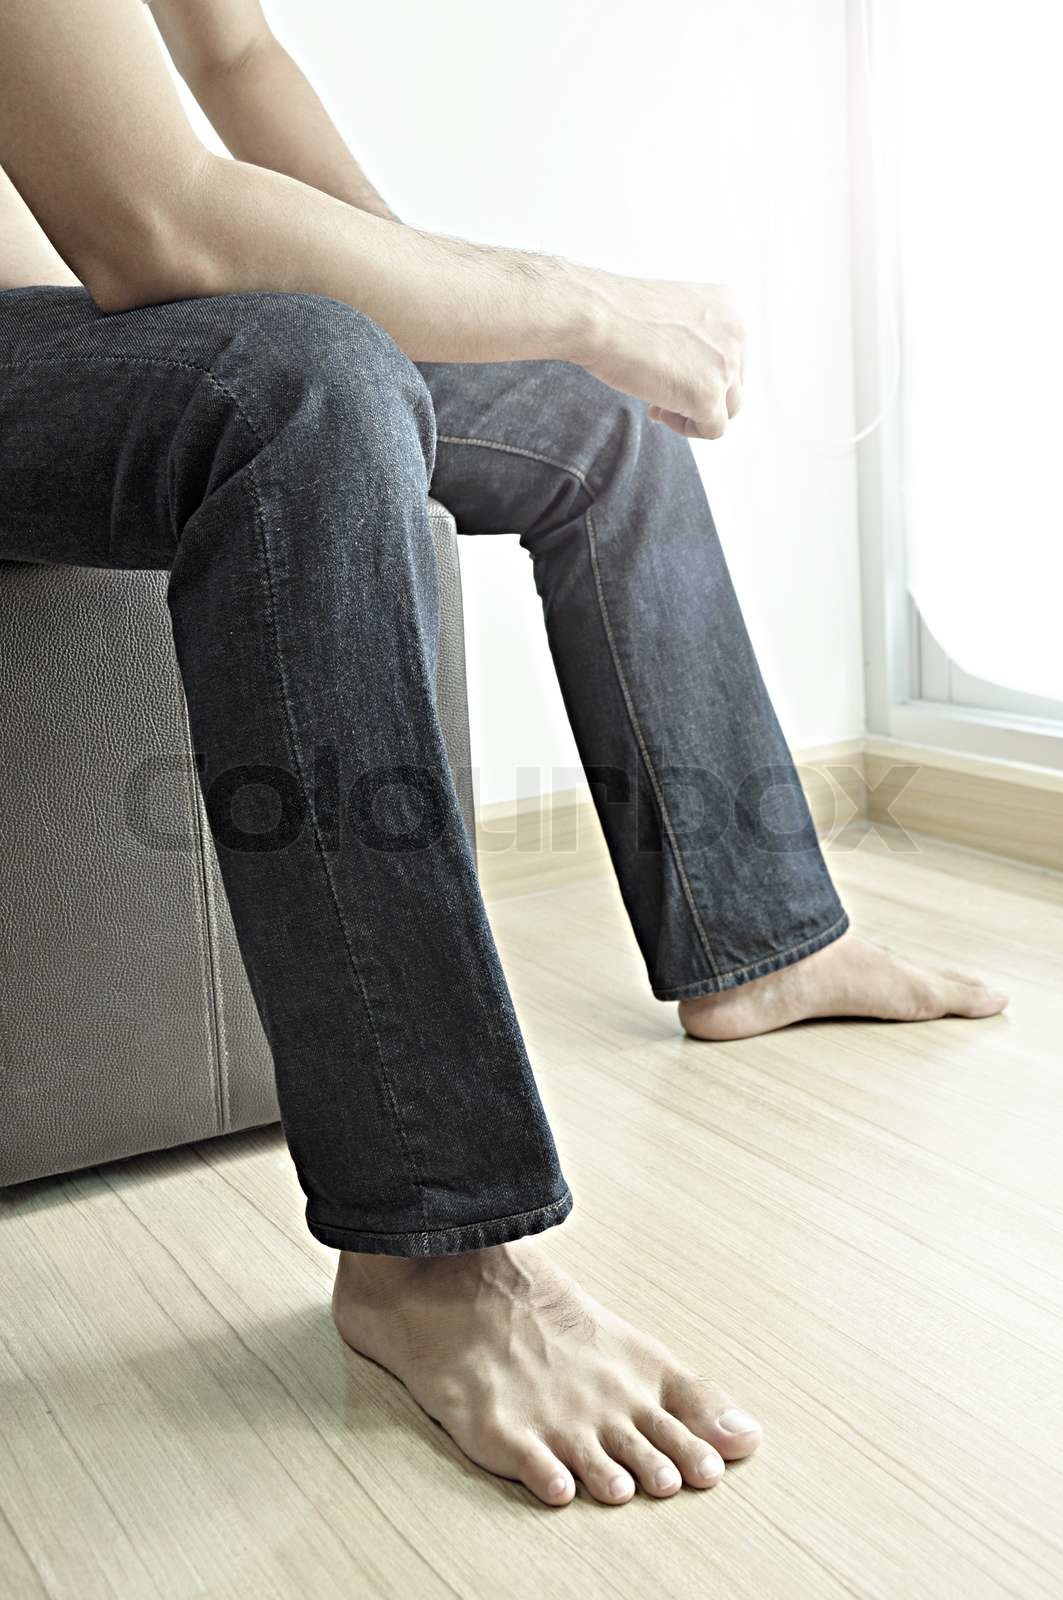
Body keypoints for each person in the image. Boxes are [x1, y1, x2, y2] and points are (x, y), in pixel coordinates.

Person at [0, 0, 1007, 1510]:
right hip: (56, 325)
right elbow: (156, 221)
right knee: (313, 380)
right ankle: (434, 1252)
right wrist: (556, 292)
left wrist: (452, 304)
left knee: (592, 408)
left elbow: (231, 61)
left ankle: (754, 937)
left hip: (91, 327)